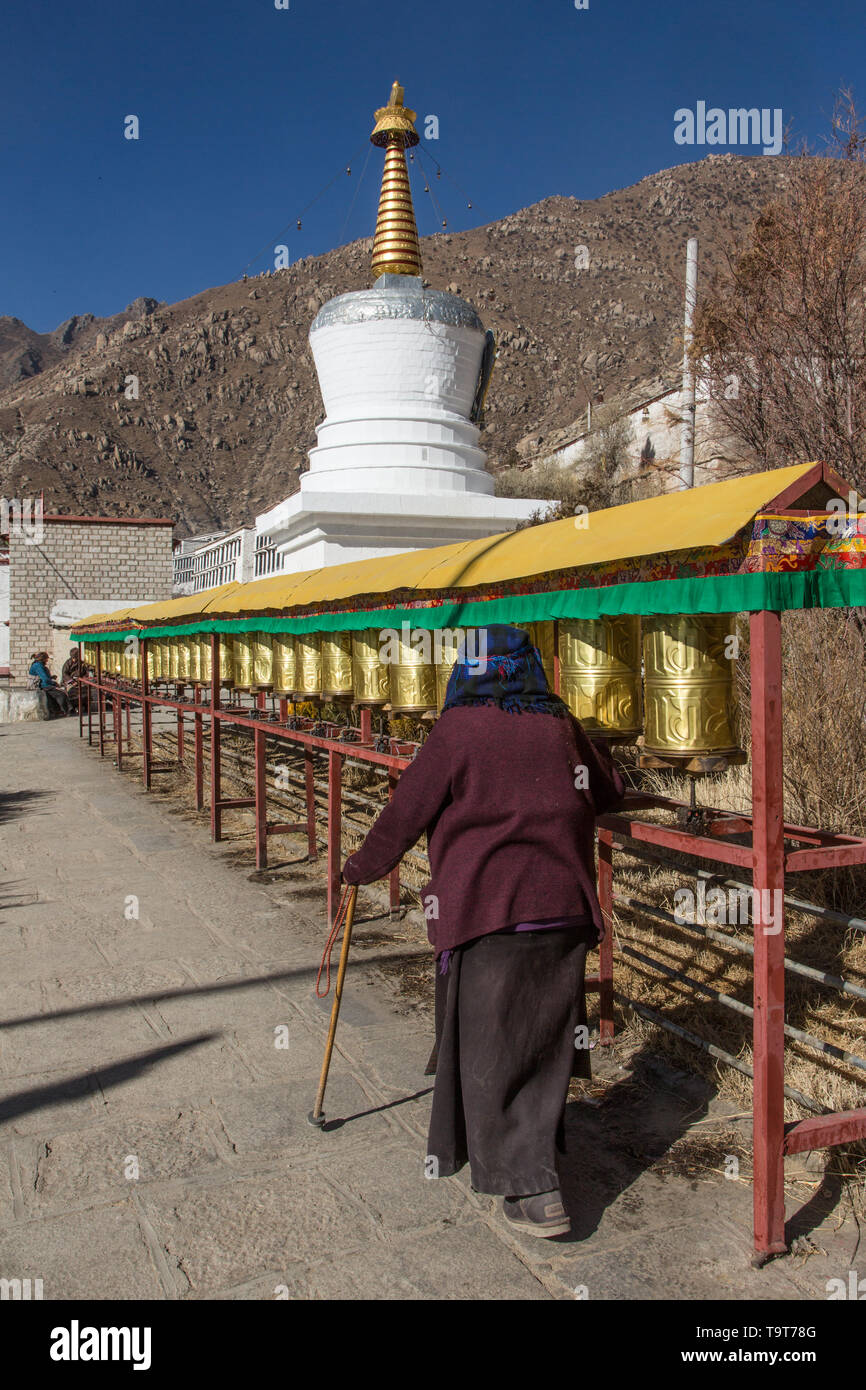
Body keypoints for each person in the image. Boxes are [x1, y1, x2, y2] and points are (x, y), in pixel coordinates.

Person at [342, 624, 625, 1238]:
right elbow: (607, 791)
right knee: (544, 1046)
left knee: (495, 1052)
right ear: (527, 667)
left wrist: (359, 870)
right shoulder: (558, 724)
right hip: (563, 915)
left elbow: (405, 813)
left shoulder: (458, 730)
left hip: (488, 915)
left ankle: (535, 1188)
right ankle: (531, 1169)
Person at [28, 651, 70, 718]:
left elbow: (44, 677)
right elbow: (45, 679)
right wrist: (54, 683)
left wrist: (51, 678)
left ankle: (57, 711)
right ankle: (62, 711)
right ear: (43, 659)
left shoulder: (39, 665)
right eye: (46, 659)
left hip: (44, 684)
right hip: (40, 686)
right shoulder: (38, 666)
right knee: (61, 693)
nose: (47, 661)